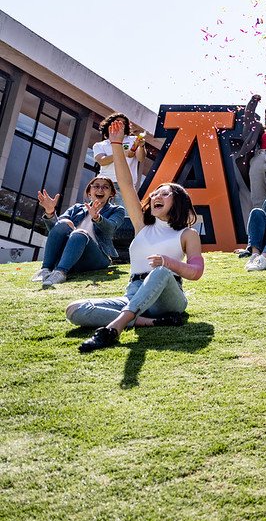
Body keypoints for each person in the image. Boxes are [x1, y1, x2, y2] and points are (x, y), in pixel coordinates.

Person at [67, 120, 204, 353]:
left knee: (160, 271)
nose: (156, 196)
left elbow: (196, 272)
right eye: (155, 193)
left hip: (168, 298)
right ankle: (148, 322)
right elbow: (126, 184)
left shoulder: (187, 234)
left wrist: (168, 263)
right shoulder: (141, 225)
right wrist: (117, 144)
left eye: (165, 193)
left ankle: (114, 328)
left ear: (177, 201)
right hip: (133, 292)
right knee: (75, 309)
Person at [32, 177, 128, 287]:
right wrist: (50, 212)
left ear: (111, 193)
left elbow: (111, 228)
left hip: (96, 257)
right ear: (89, 192)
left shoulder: (117, 210)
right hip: (70, 253)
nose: (100, 190)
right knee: (64, 222)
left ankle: (60, 272)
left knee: (80, 233)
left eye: (105, 187)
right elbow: (56, 231)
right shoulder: (77, 208)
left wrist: (97, 217)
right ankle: (45, 269)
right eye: (96, 186)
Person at [91, 112, 143, 204]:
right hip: (105, 184)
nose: (121, 124)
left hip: (126, 185)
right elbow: (102, 161)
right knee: (100, 213)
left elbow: (141, 158)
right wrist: (122, 153)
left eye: (124, 123)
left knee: (125, 216)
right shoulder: (100, 145)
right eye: (118, 121)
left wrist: (141, 146)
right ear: (110, 124)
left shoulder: (133, 140)